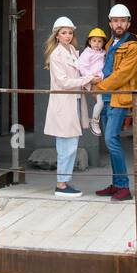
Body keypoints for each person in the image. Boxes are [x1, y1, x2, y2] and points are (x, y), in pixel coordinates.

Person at [92, 4, 137, 202]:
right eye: (115, 20)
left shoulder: (134, 47)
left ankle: (123, 186)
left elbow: (123, 74)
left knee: (111, 139)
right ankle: (116, 184)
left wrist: (99, 87)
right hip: (106, 98)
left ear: (129, 23)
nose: (118, 24)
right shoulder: (110, 44)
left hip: (119, 97)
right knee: (110, 141)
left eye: (122, 20)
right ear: (110, 23)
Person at [42, 16, 99, 199]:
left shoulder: (74, 52)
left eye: (70, 32)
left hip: (74, 101)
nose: (68, 36)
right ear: (57, 35)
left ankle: (64, 181)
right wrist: (88, 79)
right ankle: (61, 184)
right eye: (64, 33)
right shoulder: (56, 55)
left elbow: (81, 74)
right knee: (66, 145)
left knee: (71, 144)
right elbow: (64, 82)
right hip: (63, 103)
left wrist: (90, 80)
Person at [78, 27, 109, 135]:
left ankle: (97, 119)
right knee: (100, 102)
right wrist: (91, 78)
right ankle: (94, 121)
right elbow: (82, 67)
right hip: (91, 81)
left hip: (101, 81)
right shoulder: (87, 53)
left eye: (99, 41)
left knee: (103, 102)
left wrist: (101, 77)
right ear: (89, 42)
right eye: (94, 41)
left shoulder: (103, 53)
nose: (96, 43)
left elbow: (104, 66)